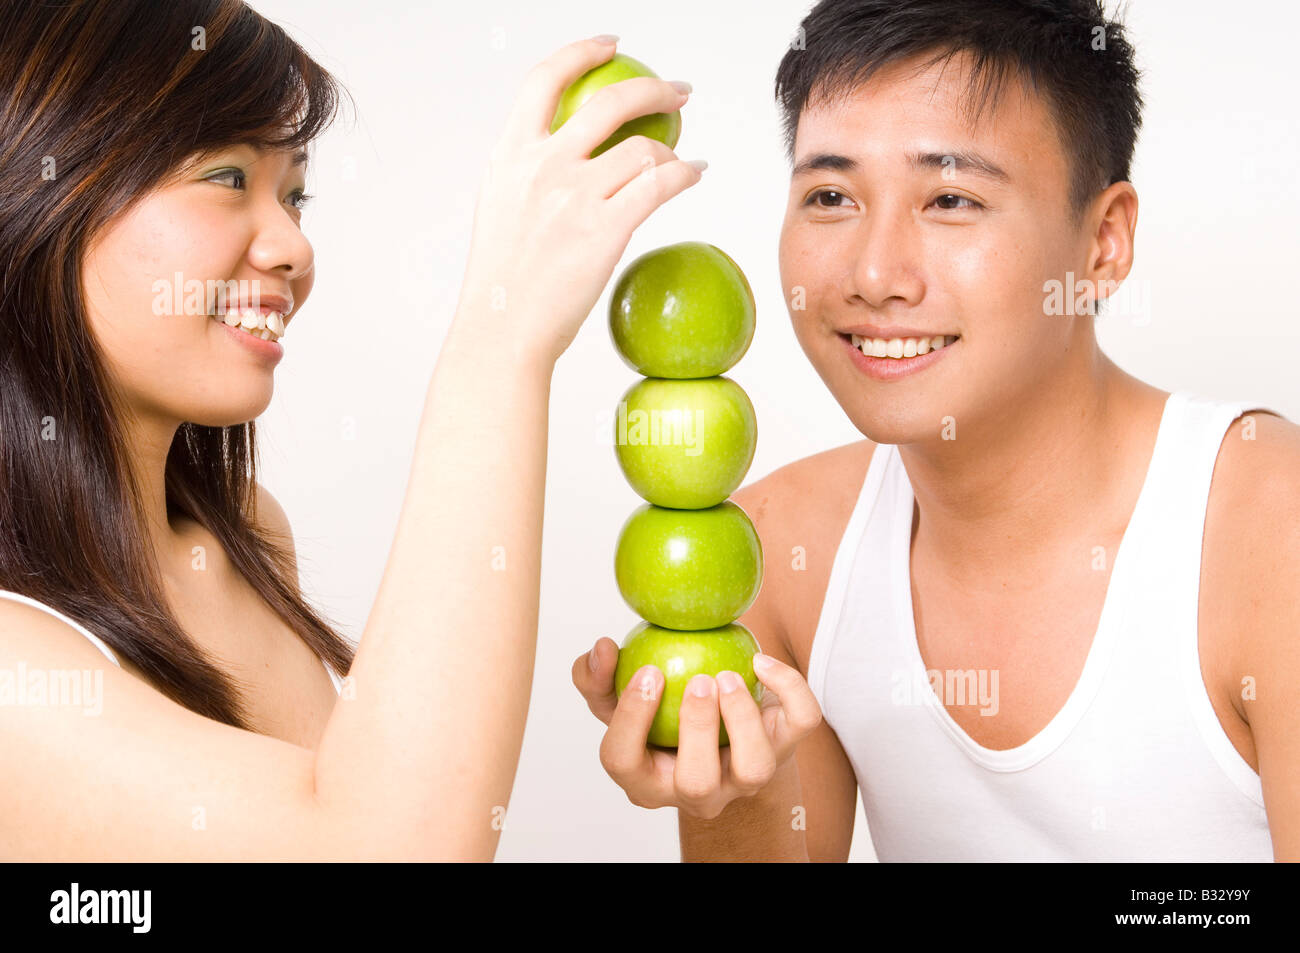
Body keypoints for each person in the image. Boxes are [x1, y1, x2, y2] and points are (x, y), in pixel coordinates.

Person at [574, 0, 1300, 861]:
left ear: (1103, 241)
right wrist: (736, 792)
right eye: (831, 195)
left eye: (951, 198)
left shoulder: (1269, 532)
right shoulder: (776, 551)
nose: (875, 274)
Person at [0, 0, 706, 861]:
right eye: (226, 177)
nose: (293, 246)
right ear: (37, 189)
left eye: (295, 193)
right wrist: (501, 335)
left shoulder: (247, 532)